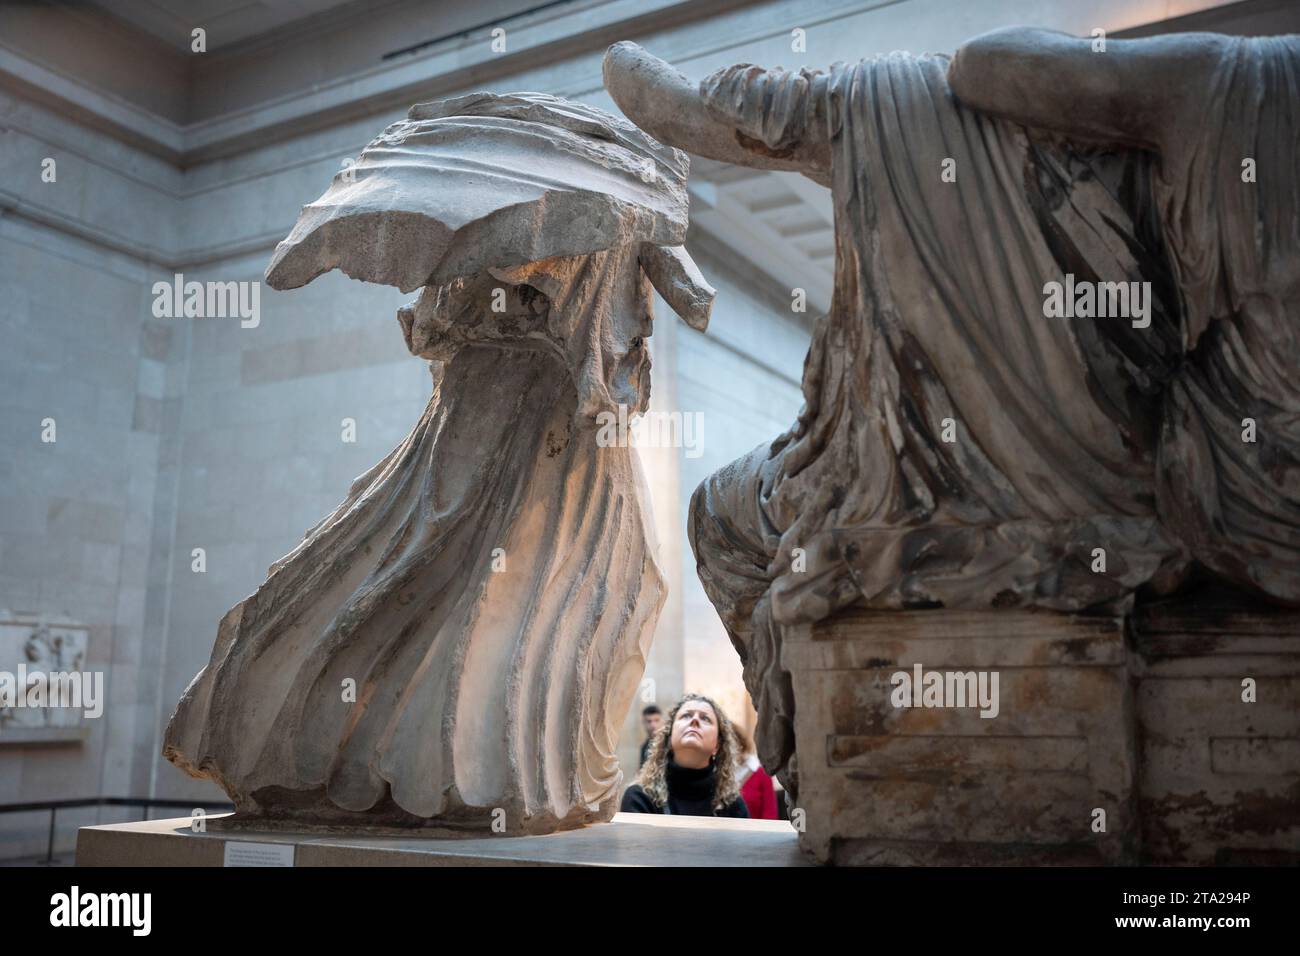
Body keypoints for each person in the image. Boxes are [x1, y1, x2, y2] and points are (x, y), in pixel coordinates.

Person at [620, 694, 749, 817]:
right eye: (686, 716)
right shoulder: (640, 796)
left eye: (705, 718)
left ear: (717, 745)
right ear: (669, 737)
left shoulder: (732, 805)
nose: (694, 720)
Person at [734, 724, 777, 820]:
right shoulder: (715, 773)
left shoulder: (761, 773)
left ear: (740, 746)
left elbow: (770, 815)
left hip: (755, 833)